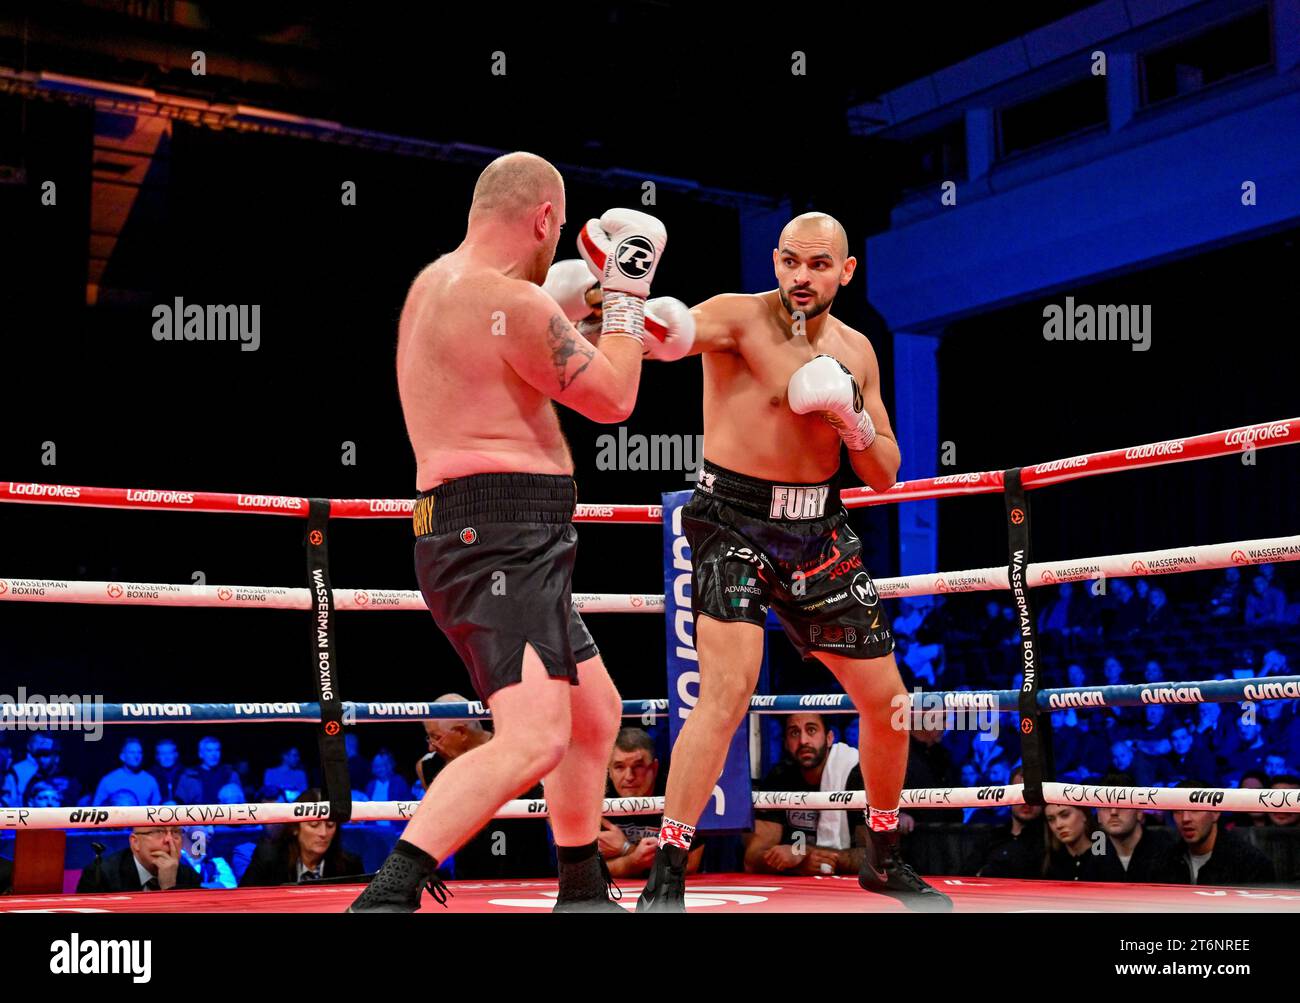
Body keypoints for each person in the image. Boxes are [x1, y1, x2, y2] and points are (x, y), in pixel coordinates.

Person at [349, 165, 684, 913]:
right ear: (543, 219)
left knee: (595, 709)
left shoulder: (435, 284)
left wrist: (598, 298)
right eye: (558, 229)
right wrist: (626, 299)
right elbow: (615, 397)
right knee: (534, 738)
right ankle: (387, 894)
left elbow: (532, 332)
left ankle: (581, 886)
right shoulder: (507, 300)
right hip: (498, 536)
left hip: (479, 530)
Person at [629, 213, 947, 911]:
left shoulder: (859, 350)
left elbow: (886, 471)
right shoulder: (739, 319)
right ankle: (669, 867)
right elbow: (668, 336)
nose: (802, 277)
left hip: (817, 527)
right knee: (727, 690)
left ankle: (883, 854)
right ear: (776, 260)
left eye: (819, 265)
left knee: (889, 703)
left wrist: (852, 419)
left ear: (846, 270)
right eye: (791, 262)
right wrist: (631, 298)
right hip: (731, 520)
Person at [417, 697, 555, 880]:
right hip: (468, 883)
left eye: (435, 737)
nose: (430, 746)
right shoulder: (429, 767)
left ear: (461, 732)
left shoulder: (524, 757)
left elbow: (557, 818)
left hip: (528, 878)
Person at [744, 713, 863, 876]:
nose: (803, 741)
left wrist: (804, 852)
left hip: (854, 892)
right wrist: (797, 866)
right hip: (797, 891)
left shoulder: (856, 776)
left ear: (829, 738)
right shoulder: (779, 778)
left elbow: (874, 858)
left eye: (811, 730)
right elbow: (752, 859)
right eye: (794, 733)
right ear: (786, 743)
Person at [600, 727, 702, 879]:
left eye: (638, 766)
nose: (629, 776)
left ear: (654, 768)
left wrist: (625, 849)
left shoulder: (676, 794)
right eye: (619, 767)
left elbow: (689, 863)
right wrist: (632, 861)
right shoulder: (599, 797)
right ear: (609, 771)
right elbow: (590, 871)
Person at [1154, 780, 1276, 885]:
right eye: (1177, 811)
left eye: (1195, 809)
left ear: (1215, 813)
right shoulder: (1163, 861)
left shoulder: (1250, 863)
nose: (1185, 818)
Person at [240, 789, 364, 885]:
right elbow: (243, 903)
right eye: (314, 825)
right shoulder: (268, 858)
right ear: (295, 828)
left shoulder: (350, 865)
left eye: (330, 825)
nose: (323, 833)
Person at [962, 766, 1047, 878]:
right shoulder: (991, 837)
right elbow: (965, 876)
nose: (1026, 802)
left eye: (1033, 795)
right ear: (1008, 796)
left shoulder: (1049, 841)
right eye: (1020, 794)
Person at [1093, 772, 1176, 882]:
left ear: (1139, 811)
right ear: (1098, 815)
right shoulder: (1096, 855)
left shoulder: (1166, 851)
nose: (1113, 812)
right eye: (1106, 806)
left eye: (1122, 804)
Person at [76, 826, 203, 892]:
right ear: (135, 842)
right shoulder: (100, 873)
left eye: (176, 832)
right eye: (158, 832)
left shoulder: (189, 877)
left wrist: (169, 887)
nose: (169, 840)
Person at [1044, 804, 1124, 881]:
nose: (1058, 825)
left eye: (1065, 815)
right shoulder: (1050, 863)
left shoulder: (1107, 856)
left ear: (1084, 814)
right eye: (1051, 819)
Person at [93, 737, 161, 806]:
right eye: (132, 752)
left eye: (139, 752)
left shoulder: (150, 780)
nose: (136, 756)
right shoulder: (108, 780)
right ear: (122, 756)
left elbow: (157, 810)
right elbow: (96, 808)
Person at [175, 736, 242, 805]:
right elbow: (180, 802)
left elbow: (239, 802)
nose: (214, 754)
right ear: (200, 754)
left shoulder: (229, 774)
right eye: (209, 750)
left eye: (217, 750)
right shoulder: (189, 776)